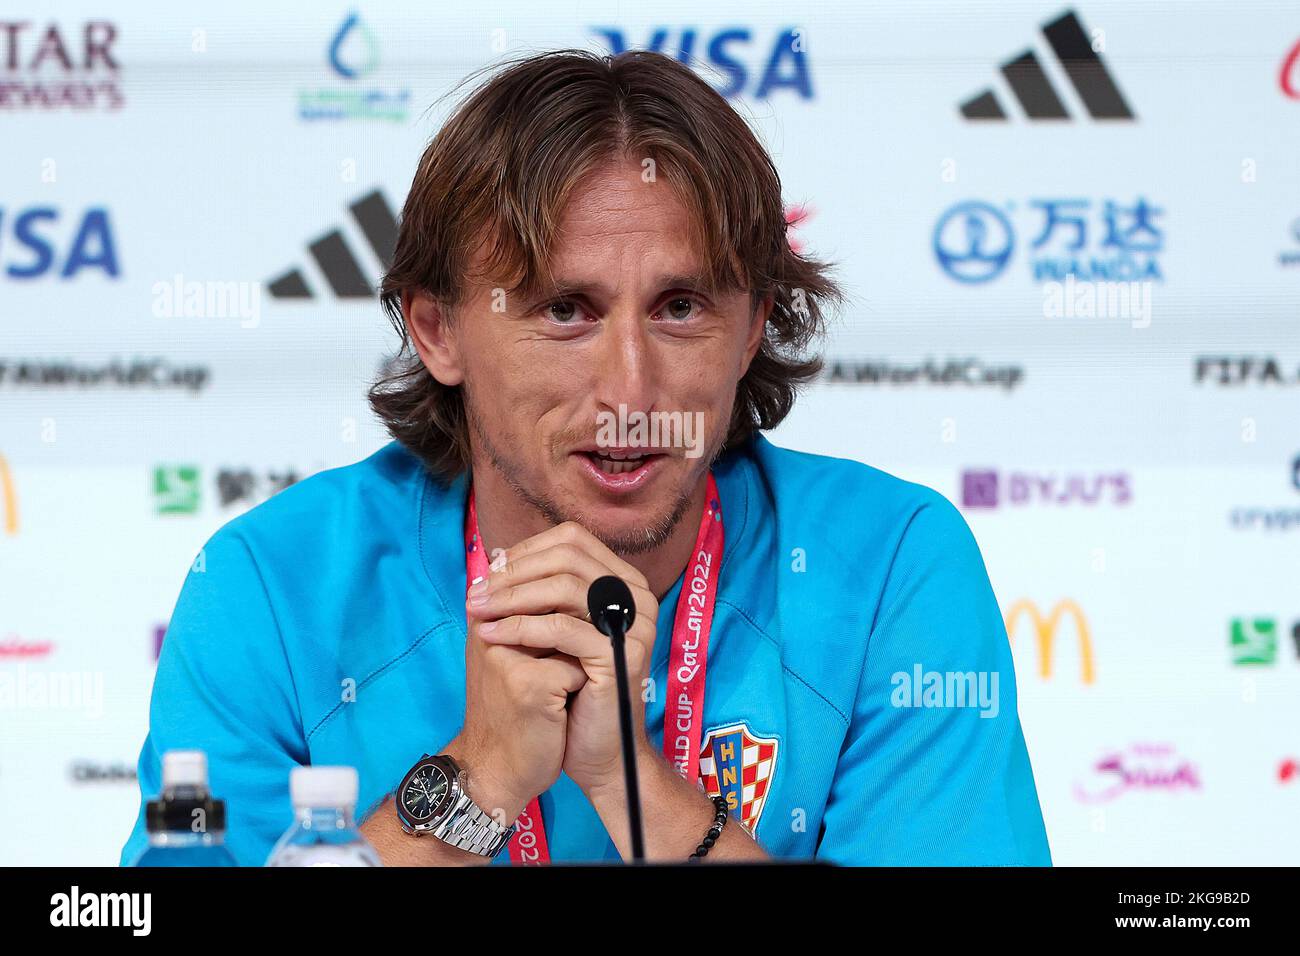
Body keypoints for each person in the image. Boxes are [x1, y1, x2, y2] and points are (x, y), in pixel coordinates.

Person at [122, 48, 1051, 866]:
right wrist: (476, 779)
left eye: (681, 307)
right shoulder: (268, 588)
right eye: (565, 310)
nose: (631, 392)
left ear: (754, 325)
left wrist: (634, 788)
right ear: (438, 328)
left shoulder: (891, 564)